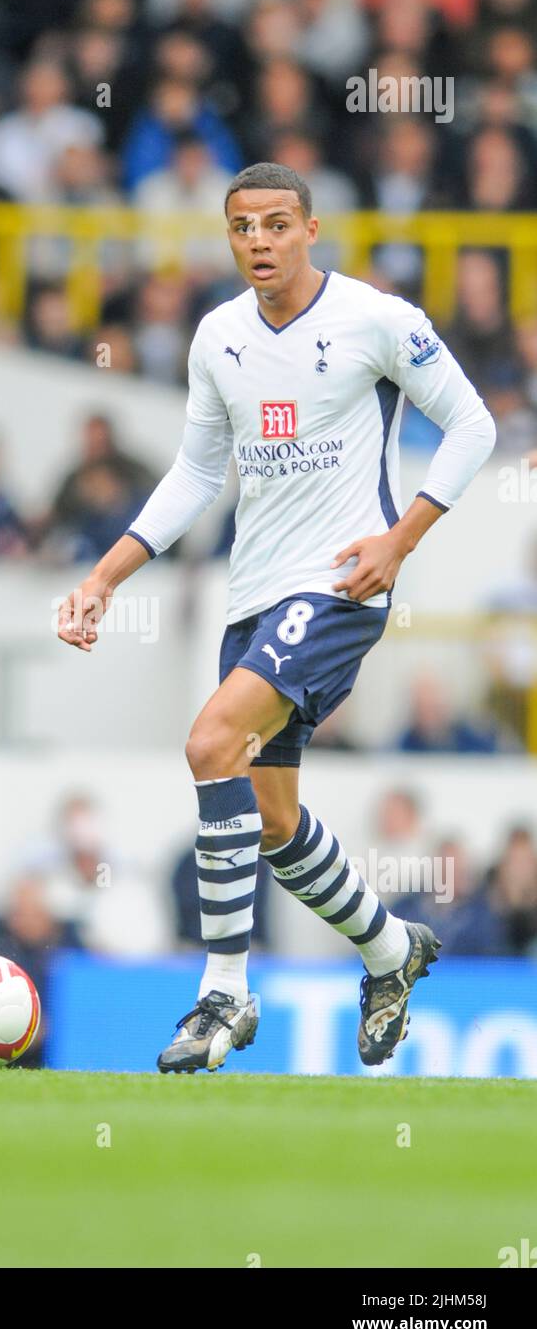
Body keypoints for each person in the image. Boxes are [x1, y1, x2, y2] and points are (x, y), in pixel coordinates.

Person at [57, 161, 496, 1073]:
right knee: (269, 821)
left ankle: (223, 994)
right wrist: (106, 575)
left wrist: (399, 541)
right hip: (251, 595)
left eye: (275, 224)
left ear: (310, 229)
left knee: (209, 743)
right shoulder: (218, 337)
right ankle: (387, 951)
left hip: (336, 588)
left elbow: (472, 427)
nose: (258, 240)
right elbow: (194, 475)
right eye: (241, 227)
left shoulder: (374, 319)